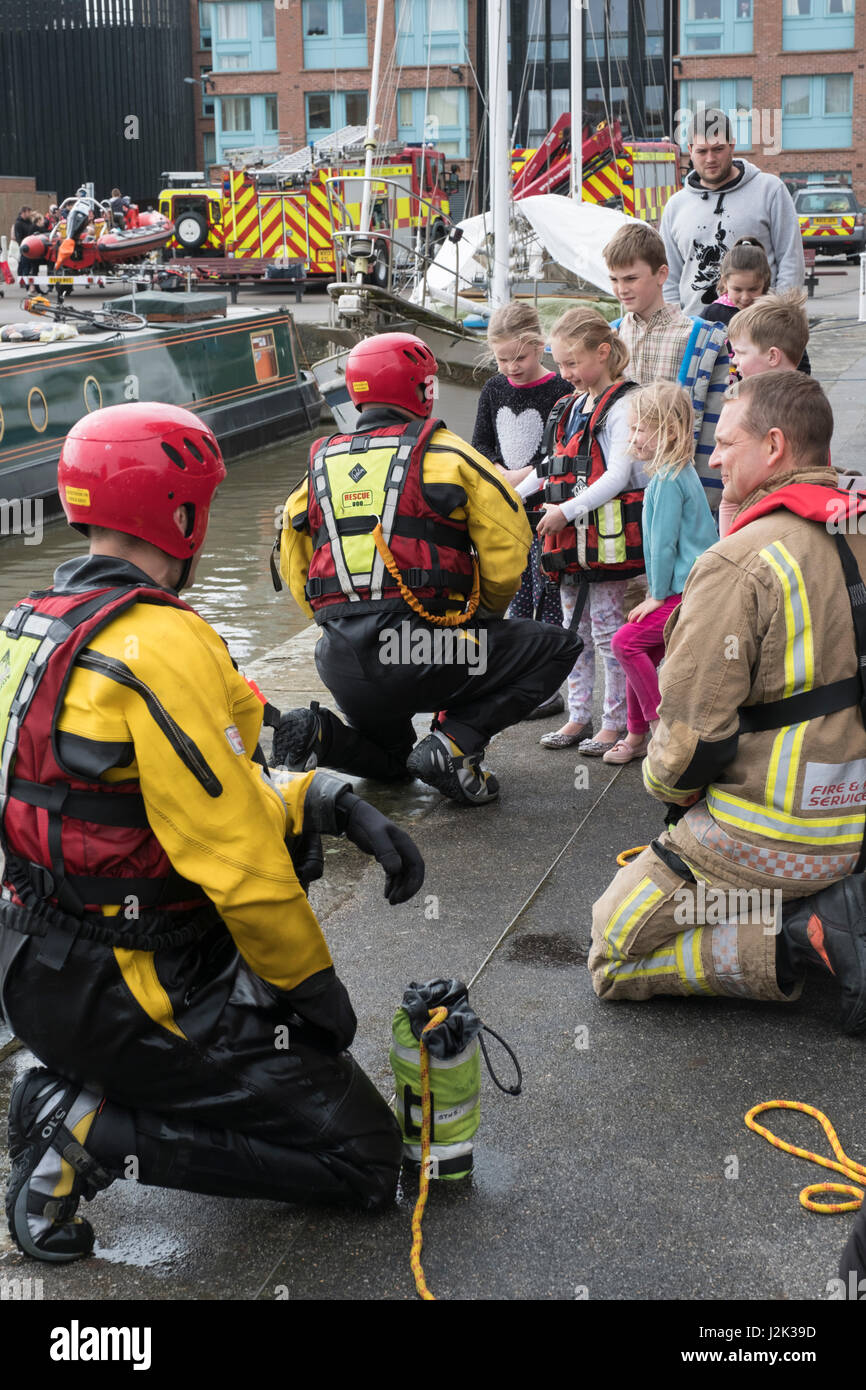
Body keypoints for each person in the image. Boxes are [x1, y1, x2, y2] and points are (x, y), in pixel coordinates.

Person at [0, 402, 425, 1264]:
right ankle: (87, 1127)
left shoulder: (25, 626)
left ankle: (97, 1083)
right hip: (137, 982)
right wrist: (316, 996)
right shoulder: (164, 643)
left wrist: (327, 798)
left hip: (34, 965)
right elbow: (240, 869)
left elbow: (161, 797)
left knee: (286, 1059)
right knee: (368, 1162)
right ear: (183, 516)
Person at [589, 372, 866, 1034]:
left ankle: (801, 938)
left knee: (611, 951)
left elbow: (690, 743)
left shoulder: (738, 560)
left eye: (727, 442)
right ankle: (830, 903)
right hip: (858, 822)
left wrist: (664, 786)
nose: (713, 457)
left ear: (774, 446)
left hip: (777, 832)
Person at [275, 332, 581, 806]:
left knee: (395, 762)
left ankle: (322, 736)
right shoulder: (449, 455)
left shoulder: (314, 472)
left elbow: (296, 571)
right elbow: (510, 545)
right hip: (425, 649)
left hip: (341, 660)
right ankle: (456, 741)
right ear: (422, 390)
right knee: (558, 647)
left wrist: (344, 625)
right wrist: (481, 619)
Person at [520, 308, 643, 755]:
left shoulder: (624, 403)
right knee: (575, 632)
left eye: (572, 363)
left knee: (609, 631)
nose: (564, 373)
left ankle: (614, 723)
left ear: (604, 352)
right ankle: (578, 716)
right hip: (570, 540)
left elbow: (618, 475)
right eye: (559, 363)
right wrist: (515, 495)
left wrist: (566, 511)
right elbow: (550, 467)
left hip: (605, 542)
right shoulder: (571, 405)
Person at [605, 382, 717, 765]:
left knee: (624, 643)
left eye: (640, 429)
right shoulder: (675, 472)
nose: (632, 437)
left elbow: (662, 544)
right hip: (691, 588)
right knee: (640, 650)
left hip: (682, 593)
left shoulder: (667, 481)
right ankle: (637, 735)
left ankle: (660, 730)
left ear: (668, 431)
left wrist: (655, 594)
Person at [471, 301, 570, 718]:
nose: (511, 366)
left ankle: (549, 685)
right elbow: (479, 442)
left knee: (548, 591)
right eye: (503, 358)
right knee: (516, 591)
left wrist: (524, 476)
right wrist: (498, 471)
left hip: (545, 505)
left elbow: (562, 449)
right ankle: (520, 677)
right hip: (506, 511)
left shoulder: (560, 391)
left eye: (520, 357)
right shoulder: (494, 389)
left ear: (541, 345)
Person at [602, 221, 730, 511]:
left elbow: (714, 420)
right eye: (614, 280)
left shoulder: (699, 338)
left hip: (679, 487)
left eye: (631, 278)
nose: (621, 289)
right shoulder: (609, 337)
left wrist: (708, 500)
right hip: (618, 488)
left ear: (661, 274)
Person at [660, 108, 804, 317]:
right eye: (702, 151)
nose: (710, 158)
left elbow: (791, 261)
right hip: (696, 333)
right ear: (690, 150)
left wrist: (779, 319)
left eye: (718, 149)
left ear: (732, 146)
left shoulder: (769, 190)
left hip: (759, 330)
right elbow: (668, 275)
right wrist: (674, 324)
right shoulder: (675, 206)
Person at [720, 288, 813, 535]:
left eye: (740, 352)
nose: (734, 361)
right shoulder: (811, 402)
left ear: (772, 356)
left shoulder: (746, 402)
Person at [708, 236, 771, 328]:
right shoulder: (712, 314)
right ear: (725, 282)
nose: (745, 298)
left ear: (764, 282)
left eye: (753, 289)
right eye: (737, 289)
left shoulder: (773, 314)